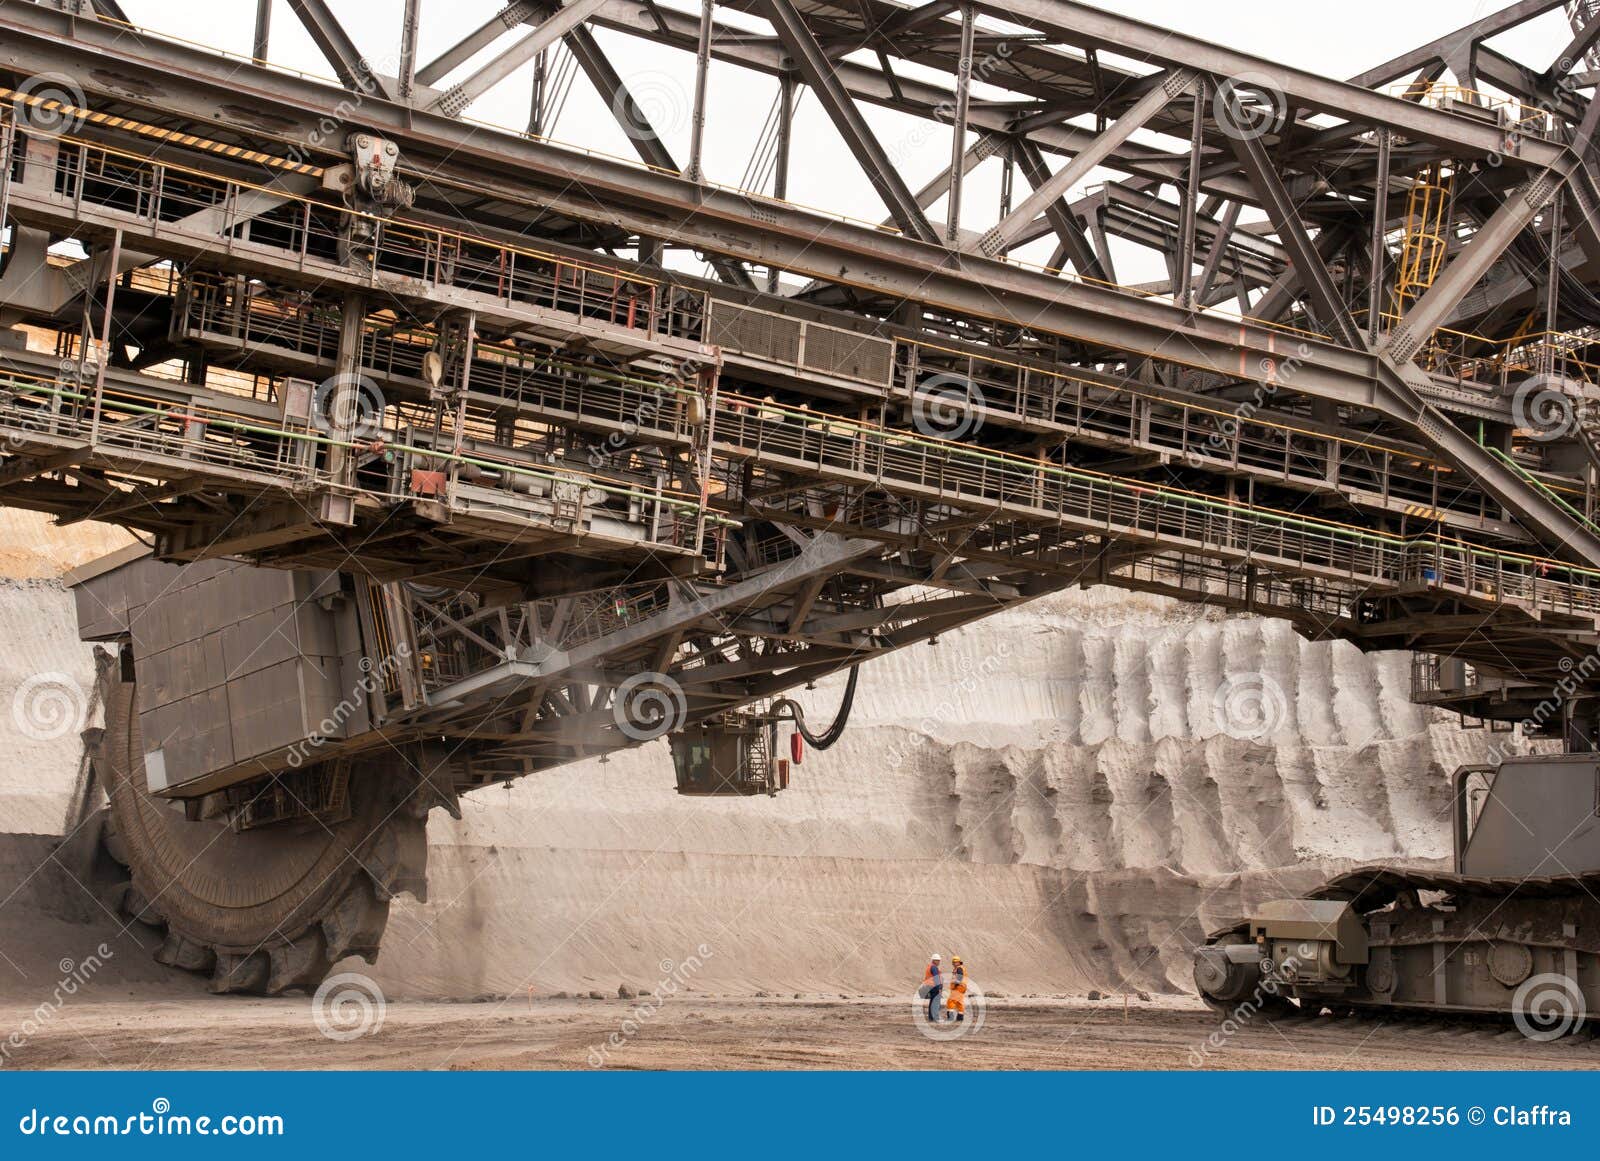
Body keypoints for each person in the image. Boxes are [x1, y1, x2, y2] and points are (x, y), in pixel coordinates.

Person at [945, 955, 968, 1022]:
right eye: (953, 962)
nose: (954, 963)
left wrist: (955, 985)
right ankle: (960, 1017)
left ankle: (950, 1017)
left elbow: (959, 978)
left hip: (958, 987)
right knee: (959, 1002)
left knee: (950, 1001)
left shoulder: (959, 968)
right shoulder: (960, 968)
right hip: (962, 987)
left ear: (959, 962)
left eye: (956, 962)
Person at [922, 953, 943, 1022]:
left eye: (939, 960)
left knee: (932, 1002)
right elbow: (936, 978)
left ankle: (931, 1017)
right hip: (934, 987)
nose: (939, 962)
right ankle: (934, 1017)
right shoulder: (934, 967)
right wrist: (939, 988)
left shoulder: (930, 966)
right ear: (933, 960)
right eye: (937, 960)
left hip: (930, 987)